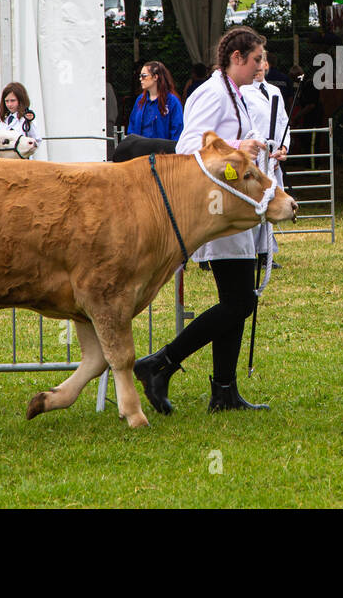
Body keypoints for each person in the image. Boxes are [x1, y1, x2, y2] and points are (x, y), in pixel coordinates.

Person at [133, 27, 275, 414]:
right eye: (257, 59)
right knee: (240, 301)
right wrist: (237, 148)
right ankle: (160, 363)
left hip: (237, 208)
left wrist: (255, 151)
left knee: (237, 300)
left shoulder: (237, 95)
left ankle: (224, 390)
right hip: (217, 209)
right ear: (237, 59)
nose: (262, 66)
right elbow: (187, 147)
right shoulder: (212, 94)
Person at [242, 52, 290, 267]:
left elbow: (283, 122)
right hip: (255, 155)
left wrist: (283, 147)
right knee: (253, 203)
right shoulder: (243, 92)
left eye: (263, 62)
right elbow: (246, 126)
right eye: (256, 62)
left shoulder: (275, 91)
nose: (260, 67)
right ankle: (249, 252)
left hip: (273, 158)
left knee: (270, 202)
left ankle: (265, 253)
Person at [127, 61, 184, 142]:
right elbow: (132, 126)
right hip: (140, 150)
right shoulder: (140, 100)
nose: (140, 79)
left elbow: (177, 131)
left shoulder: (172, 101)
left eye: (144, 76)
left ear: (155, 77)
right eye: (140, 76)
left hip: (162, 152)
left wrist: (171, 151)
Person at [0, 82, 42, 155]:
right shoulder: (5, 120)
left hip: (21, 160)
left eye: (13, 101)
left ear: (21, 100)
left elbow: (36, 140)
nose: (9, 104)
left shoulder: (26, 119)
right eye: (6, 101)